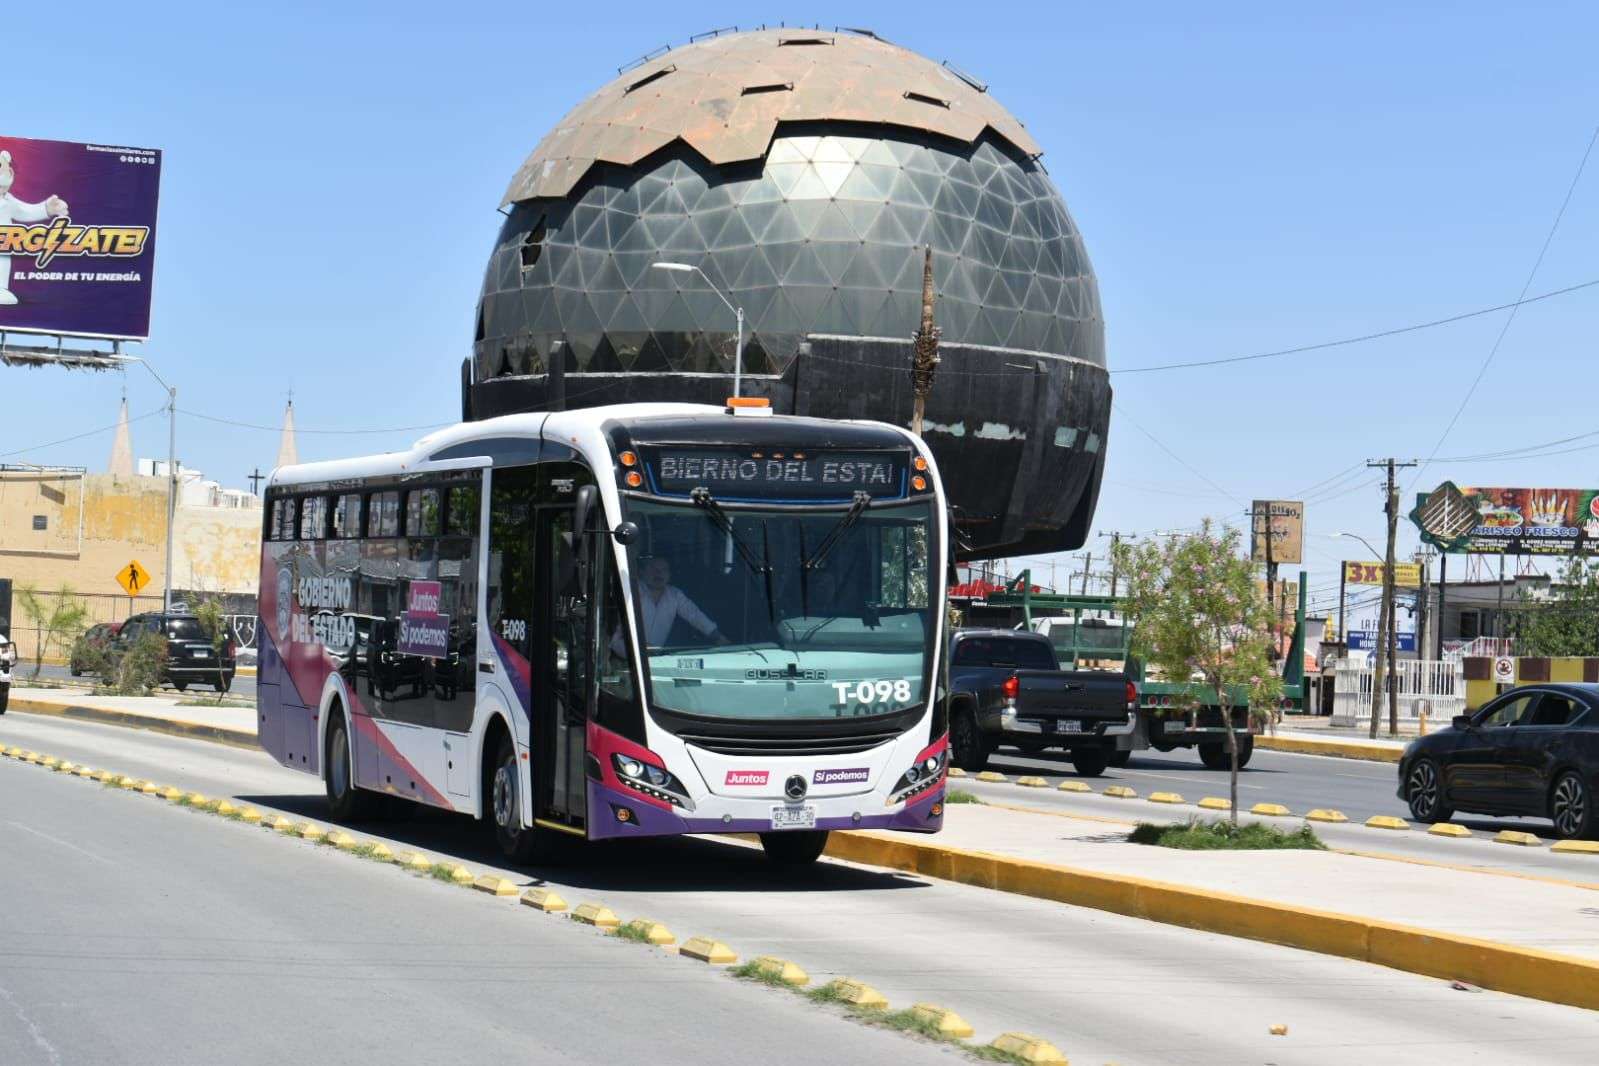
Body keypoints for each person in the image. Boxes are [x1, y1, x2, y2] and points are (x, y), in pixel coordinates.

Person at [622, 556, 727, 650]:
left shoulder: (674, 595)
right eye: (653, 569)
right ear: (641, 571)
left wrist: (719, 638)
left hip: (652, 659)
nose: (659, 573)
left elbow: (695, 616)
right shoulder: (631, 591)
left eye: (664, 570)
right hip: (625, 656)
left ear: (669, 575)